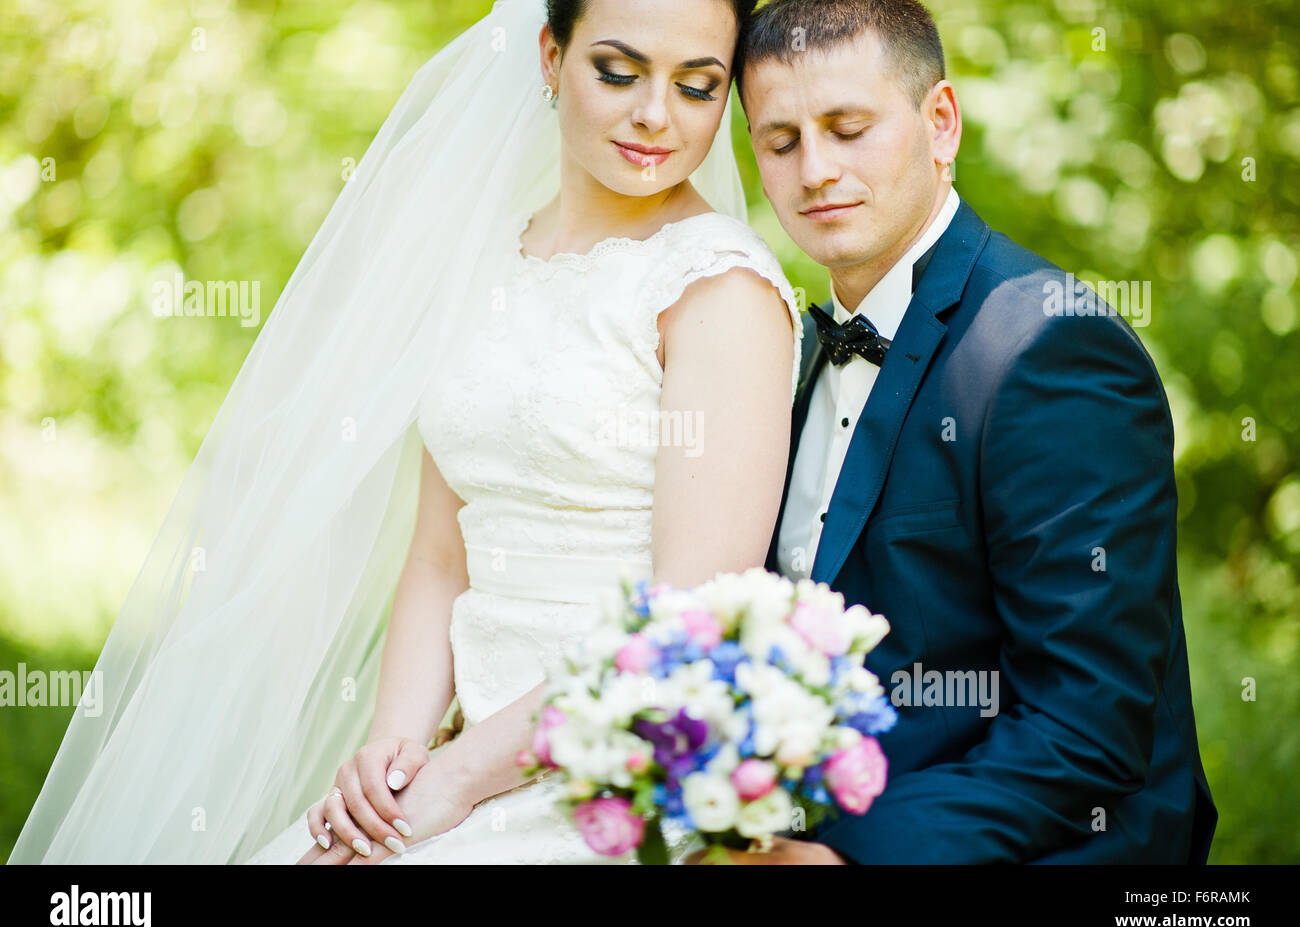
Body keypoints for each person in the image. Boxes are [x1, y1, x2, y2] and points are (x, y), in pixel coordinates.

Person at [10, 0, 802, 865]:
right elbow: (438, 554)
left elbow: (684, 629)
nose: (656, 114)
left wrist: (459, 778)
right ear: (550, 56)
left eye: (698, 86)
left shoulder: (719, 290)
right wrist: (392, 757)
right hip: (453, 759)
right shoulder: (489, 261)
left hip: (617, 774)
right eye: (619, 72)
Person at [695, 0, 1216, 864]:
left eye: (848, 127)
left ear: (940, 124)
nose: (815, 169)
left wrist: (843, 857)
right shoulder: (783, 351)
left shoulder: (1049, 346)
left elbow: (1088, 725)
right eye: (780, 142)